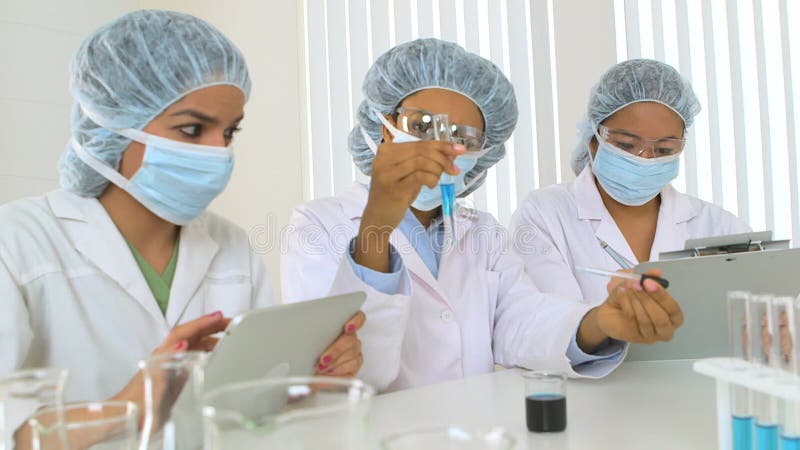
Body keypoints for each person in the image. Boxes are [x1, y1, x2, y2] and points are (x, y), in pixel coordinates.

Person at [0, 10, 363, 407]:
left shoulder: (231, 246)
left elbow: (248, 406)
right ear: (112, 124)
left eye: (229, 132)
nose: (218, 152)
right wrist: (131, 405)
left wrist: (301, 379)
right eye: (191, 129)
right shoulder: (18, 242)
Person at [282, 39, 684, 393]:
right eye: (422, 125)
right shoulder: (317, 224)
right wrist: (377, 226)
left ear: (480, 156)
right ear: (384, 128)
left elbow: (521, 323)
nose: (441, 145)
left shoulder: (483, 233)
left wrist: (598, 323)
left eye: (464, 137)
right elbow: (335, 369)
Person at [510, 59, 751, 305]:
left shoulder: (719, 227)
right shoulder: (545, 215)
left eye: (664, 149)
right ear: (593, 140)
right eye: (626, 144)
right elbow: (551, 327)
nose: (645, 160)